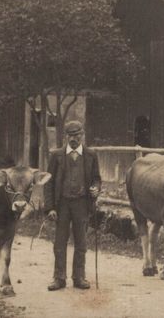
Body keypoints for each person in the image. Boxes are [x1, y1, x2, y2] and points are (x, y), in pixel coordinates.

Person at [44, 120, 102, 291]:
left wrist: (95, 189)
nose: (74, 139)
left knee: (81, 243)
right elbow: (48, 182)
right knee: (59, 243)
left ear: (82, 135)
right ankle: (59, 278)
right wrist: (50, 207)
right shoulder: (56, 155)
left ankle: (79, 277)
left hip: (81, 204)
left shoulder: (91, 155)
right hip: (62, 205)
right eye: (70, 135)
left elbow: (96, 178)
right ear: (65, 136)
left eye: (77, 135)